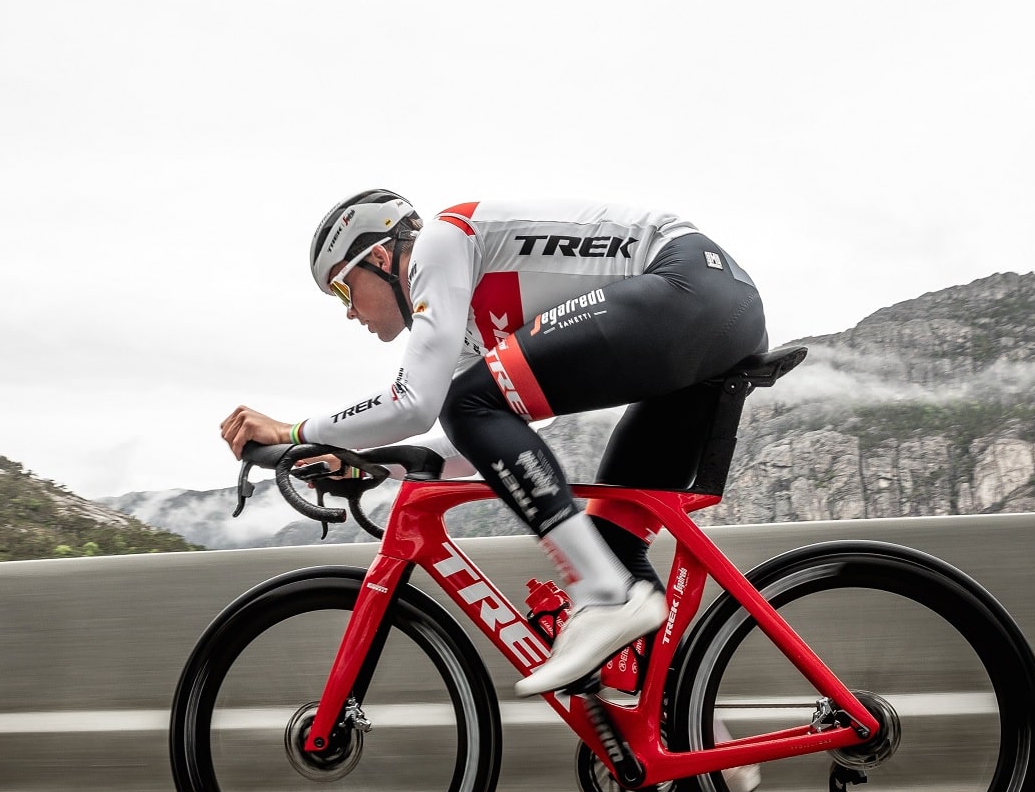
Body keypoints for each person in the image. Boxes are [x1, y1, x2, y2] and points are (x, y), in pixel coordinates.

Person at [220, 190, 768, 698]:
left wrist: (292, 432)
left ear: (382, 259)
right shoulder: (465, 332)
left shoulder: (440, 241)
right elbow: (482, 438)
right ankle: (703, 746)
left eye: (342, 287)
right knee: (612, 542)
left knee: (467, 401)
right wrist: (372, 467)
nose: (347, 310)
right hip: (709, 318)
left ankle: (605, 595)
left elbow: (418, 403)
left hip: (687, 282)